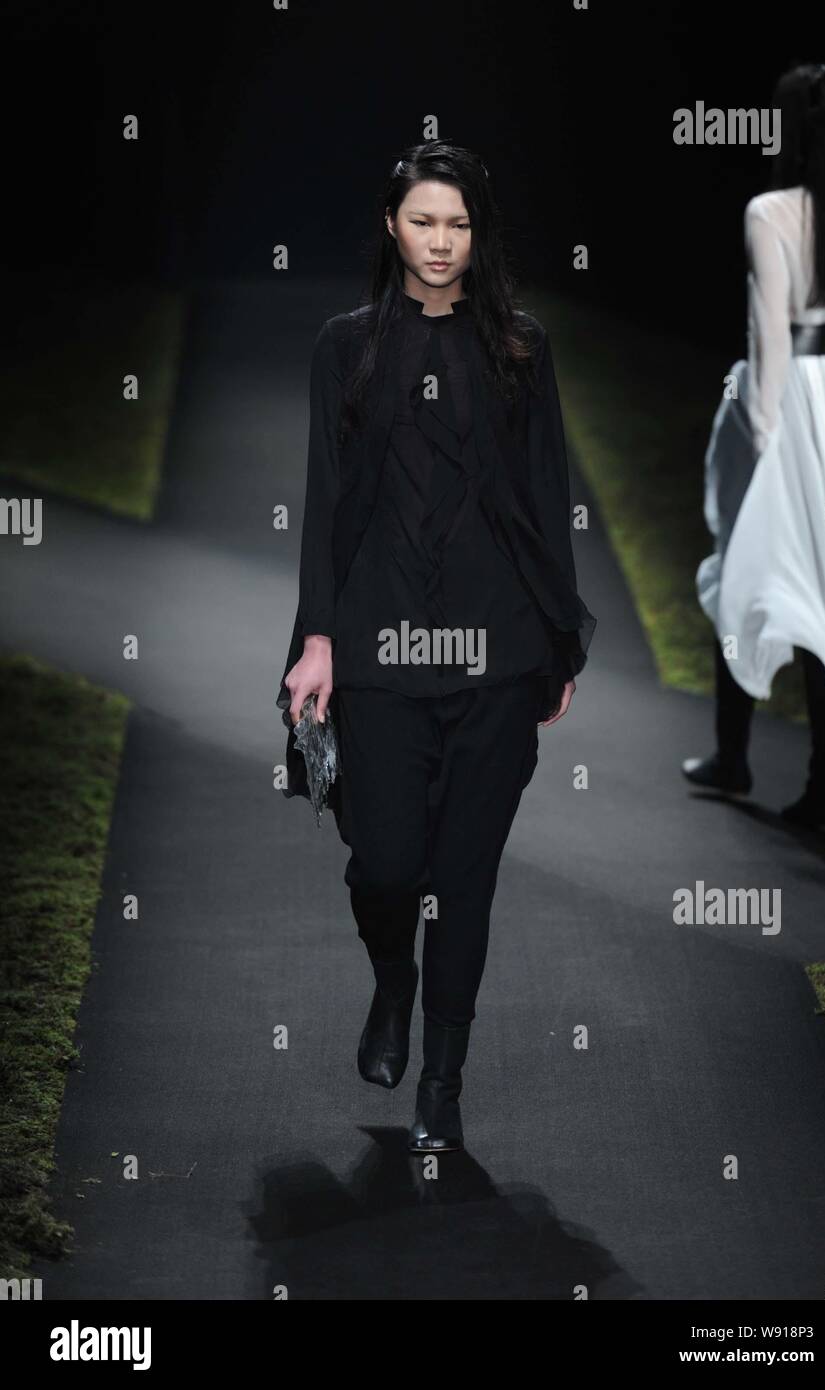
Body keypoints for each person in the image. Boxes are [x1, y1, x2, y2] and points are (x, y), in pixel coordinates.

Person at [275, 140, 596, 1152]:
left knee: (464, 875)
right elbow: (328, 499)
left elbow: (548, 493)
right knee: (385, 864)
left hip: (495, 650)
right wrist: (318, 638)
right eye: (424, 220)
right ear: (391, 226)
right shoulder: (347, 346)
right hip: (377, 644)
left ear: (477, 233)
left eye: (458, 223)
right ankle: (393, 980)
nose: (441, 241)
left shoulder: (520, 349)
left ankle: (444, 1081)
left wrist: (557, 640)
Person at [684, 62, 825, 831]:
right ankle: (822, 791)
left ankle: (734, 757)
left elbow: (771, 339)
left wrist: (761, 438)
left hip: (793, 406)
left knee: (746, 570)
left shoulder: (770, 209)